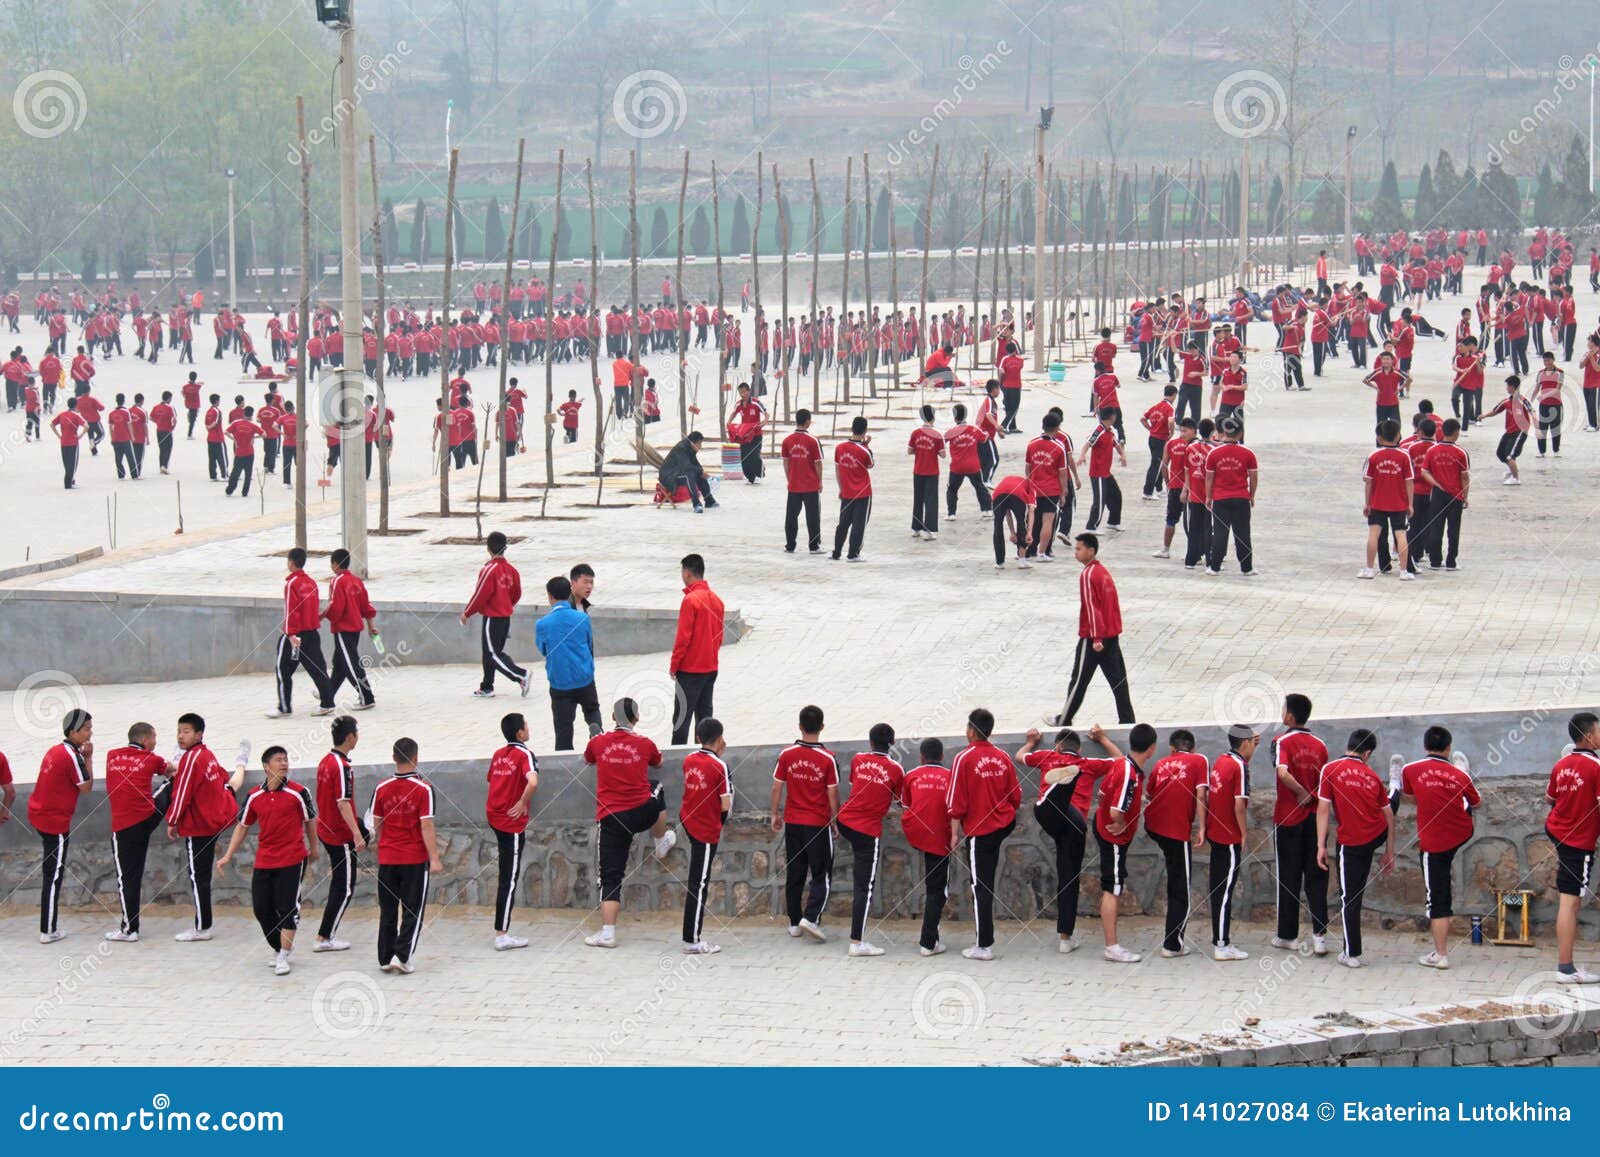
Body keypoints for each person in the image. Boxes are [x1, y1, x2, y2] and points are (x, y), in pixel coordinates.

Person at [1020, 723, 1122, 953]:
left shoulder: (1047, 756)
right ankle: (1065, 938)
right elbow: (1121, 760)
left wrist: (1031, 741)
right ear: (1079, 749)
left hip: (1050, 817)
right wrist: (1103, 739)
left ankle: (1056, 791)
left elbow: (1020, 756)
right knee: (1069, 878)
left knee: (1048, 806)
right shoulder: (1088, 763)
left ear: (1058, 746)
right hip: (1075, 827)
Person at [217, 746, 317, 975]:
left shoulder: (299, 792)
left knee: (287, 908)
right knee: (262, 908)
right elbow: (242, 827)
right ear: (266, 766)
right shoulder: (254, 795)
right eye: (278, 760)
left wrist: (314, 848)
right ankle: (278, 946)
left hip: (292, 858)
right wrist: (227, 855)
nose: (284, 764)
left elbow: (310, 820)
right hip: (264, 860)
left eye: (286, 760)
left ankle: (283, 955)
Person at [583, 699, 674, 949]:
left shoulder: (598, 743)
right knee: (657, 788)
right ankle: (660, 840)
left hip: (611, 818)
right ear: (636, 718)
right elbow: (659, 763)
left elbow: (588, 758)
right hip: (641, 812)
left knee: (611, 876)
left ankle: (608, 932)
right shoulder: (645, 744)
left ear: (613, 717)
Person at [1398, 725, 1479, 970]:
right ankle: (1440, 951)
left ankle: (1441, 954)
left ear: (1425, 746)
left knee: (1436, 898)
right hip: (1460, 832)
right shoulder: (1459, 776)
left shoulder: (1409, 769)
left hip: (1433, 843)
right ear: (1448, 747)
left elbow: (1407, 795)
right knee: (1466, 802)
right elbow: (1477, 801)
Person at [1315, 728, 1396, 968]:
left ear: (1348, 745)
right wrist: (1390, 852)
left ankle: (1351, 953)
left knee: (1348, 896)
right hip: (1376, 833)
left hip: (1352, 842)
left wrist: (1321, 845)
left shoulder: (1329, 769)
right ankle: (1396, 785)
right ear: (1367, 753)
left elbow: (1323, 809)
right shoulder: (1370, 775)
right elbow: (1389, 815)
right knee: (1393, 802)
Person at [946, 707, 1021, 960]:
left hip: (980, 830)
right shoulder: (1003, 756)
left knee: (981, 885)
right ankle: (984, 941)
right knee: (985, 882)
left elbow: (957, 801)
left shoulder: (963, 759)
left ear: (969, 730)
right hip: (1002, 824)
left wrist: (954, 833)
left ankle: (983, 944)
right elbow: (1016, 796)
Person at [167, 712, 247, 943]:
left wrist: (173, 820)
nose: (181, 735)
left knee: (197, 876)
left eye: (186, 731)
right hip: (217, 816)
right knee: (201, 875)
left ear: (198, 734)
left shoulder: (191, 759)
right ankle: (242, 760)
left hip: (200, 826)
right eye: (179, 731)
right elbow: (223, 778)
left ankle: (203, 927)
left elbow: (182, 793)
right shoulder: (206, 754)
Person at [371, 736, 444, 974]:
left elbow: (377, 822)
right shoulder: (424, 789)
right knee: (413, 909)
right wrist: (434, 858)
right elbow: (427, 826)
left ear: (393, 758)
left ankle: (384, 956)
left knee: (388, 909)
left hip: (388, 858)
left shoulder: (381, 788)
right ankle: (402, 956)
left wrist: (383, 845)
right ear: (415, 758)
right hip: (413, 858)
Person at [835, 722, 905, 957]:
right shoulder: (896, 770)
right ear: (892, 743)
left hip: (844, 822)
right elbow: (900, 801)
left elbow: (857, 785)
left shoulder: (858, 759)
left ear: (870, 741)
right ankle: (857, 942)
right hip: (867, 831)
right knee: (864, 887)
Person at [770, 704, 838, 941]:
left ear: (800, 726)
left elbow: (777, 786)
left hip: (793, 822)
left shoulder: (786, 754)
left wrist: (774, 814)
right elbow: (832, 792)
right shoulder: (828, 758)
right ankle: (811, 917)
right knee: (822, 873)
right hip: (817, 823)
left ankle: (794, 923)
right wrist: (835, 819)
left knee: (795, 872)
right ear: (821, 727)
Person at [1269, 693, 1330, 955]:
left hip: (1288, 817)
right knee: (1317, 877)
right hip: (1315, 819)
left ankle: (1287, 935)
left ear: (1290, 716)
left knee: (1288, 877)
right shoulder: (1321, 745)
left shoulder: (1281, 741)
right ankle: (1320, 937)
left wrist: (1300, 792)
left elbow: (1282, 772)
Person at [1054, 534, 1135, 725]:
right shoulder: (1103, 572)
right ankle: (1128, 721)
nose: (1076, 552)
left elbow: (1092, 608)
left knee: (1079, 680)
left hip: (1093, 638)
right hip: (1111, 636)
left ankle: (1064, 720)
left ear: (1091, 551)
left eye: (1079, 549)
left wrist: (1096, 638)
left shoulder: (1088, 574)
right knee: (1119, 682)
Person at [103, 722, 173, 943]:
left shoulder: (111, 756)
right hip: (147, 819)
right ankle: (130, 928)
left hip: (124, 827)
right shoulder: (152, 759)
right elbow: (171, 769)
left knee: (127, 878)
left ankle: (129, 929)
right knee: (169, 784)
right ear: (144, 740)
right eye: (153, 738)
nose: (155, 742)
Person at [1141, 728, 1207, 958]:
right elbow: (1201, 795)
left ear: (1171, 748)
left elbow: (1150, 794)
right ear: (1193, 747)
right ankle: (1173, 944)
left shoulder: (1160, 764)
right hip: (1176, 831)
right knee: (1181, 889)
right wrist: (1202, 826)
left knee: (1175, 878)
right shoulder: (1200, 760)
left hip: (1154, 825)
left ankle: (1173, 941)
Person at [29, 709, 94, 943]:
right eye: (86, 728)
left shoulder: (54, 750)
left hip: (39, 813)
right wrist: (89, 757)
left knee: (51, 872)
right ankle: (48, 930)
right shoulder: (72, 755)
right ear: (73, 731)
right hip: (53, 821)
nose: (90, 732)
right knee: (54, 875)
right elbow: (86, 787)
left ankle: (49, 927)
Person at [1095, 723, 1158, 963]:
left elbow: (1102, 795)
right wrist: (1121, 823)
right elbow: (1114, 810)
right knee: (1113, 888)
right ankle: (1112, 946)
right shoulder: (1130, 776)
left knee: (1113, 886)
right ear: (1151, 749)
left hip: (1104, 830)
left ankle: (1112, 944)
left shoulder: (1121, 763)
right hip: (1113, 837)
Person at [486, 712, 539, 951]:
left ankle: (502, 930)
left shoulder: (498, 754)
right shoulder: (524, 754)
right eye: (526, 726)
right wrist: (521, 802)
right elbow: (533, 782)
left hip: (495, 818)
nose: (528, 728)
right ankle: (502, 934)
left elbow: (493, 781)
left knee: (506, 874)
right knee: (509, 877)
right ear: (520, 732)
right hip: (511, 822)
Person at [680, 717, 733, 955]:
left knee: (696, 881)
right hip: (706, 828)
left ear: (698, 737)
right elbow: (725, 804)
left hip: (689, 821)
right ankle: (692, 938)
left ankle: (692, 935)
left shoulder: (689, 759)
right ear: (720, 738)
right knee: (699, 883)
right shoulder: (719, 766)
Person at [314, 714, 365, 952]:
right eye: (356, 733)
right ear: (350, 737)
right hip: (339, 835)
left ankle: (326, 934)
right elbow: (342, 802)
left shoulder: (325, 761)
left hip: (326, 829)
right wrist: (356, 833)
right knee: (344, 887)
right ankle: (325, 937)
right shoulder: (342, 766)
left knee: (339, 883)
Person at [462, 532, 532, 699]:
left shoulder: (489, 569)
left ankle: (520, 675)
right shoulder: (512, 570)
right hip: (505, 617)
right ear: (505, 548)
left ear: (488, 549)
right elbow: (516, 593)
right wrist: (507, 605)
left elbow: (480, 595)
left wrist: (467, 613)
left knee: (493, 654)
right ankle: (487, 687)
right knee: (490, 652)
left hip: (492, 618)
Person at [1206, 725, 1255, 960]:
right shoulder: (1240, 766)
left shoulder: (1221, 760)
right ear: (1245, 744)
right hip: (1229, 836)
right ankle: (1222, 944)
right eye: (1252, 743)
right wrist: (1244, 833)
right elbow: (1239, 805)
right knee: (1225, 891)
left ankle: (1219, 939)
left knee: (1218, 889)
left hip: (1216, 833)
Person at [900, 737, 953, 956]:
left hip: (918, 833)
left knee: (934, 887)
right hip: (940, 837)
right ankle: (928, 942)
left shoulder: (911, 775)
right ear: (942, 756)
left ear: (921, 757)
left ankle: (932, 936)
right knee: (937, 890)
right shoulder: (951, 776)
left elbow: (906, 804)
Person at [535, 576, 601, 750]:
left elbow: (543, 649)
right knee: (592, 711)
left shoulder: (542, 624)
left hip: (560, 683)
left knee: (563, 728)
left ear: (550, 596)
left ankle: (565, 755)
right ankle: (598, 738)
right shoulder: (582, 618)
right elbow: (588, 644)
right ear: (569, 592)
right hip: (584, 677)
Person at [269, 547, 336, 719]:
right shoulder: (311, 583)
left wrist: (290, 634)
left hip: (295, 635)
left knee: (282, 668)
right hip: (311, 633)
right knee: (318, 669)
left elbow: (291, 610)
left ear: (291, 562)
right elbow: (312, 608)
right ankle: (327, 703)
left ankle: (284, 707)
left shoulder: (292, 583)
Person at [670, 553, 723, 746]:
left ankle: (679, 756)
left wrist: (674, 665)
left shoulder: (690, 600)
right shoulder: (717, 600)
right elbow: (719, 636)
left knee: (681, 719)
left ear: (686, 573)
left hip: (690, 670)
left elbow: (683, 638)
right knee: (704, 718)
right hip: (710, 667)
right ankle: (706, 756)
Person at [1359, 418, 1414, 580]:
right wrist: (1410, 504)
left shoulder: (1373, 456)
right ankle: (1404, 571)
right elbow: (1409, 482)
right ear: (1398, 436)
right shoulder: (1404, 456)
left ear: (1379, 437)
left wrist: (1367, 503)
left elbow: (1368, 482)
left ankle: (1369, 569)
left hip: (1377, 502)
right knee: (1401, 535)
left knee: (1373, 534)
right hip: (1398, 503)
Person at [1204, 416, 1258, 576]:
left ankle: (1214, 567)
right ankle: (1246, 568)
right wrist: (1251, 495)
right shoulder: (1248, 453)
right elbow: (1253, 477)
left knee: (1220, 532)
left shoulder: (1214, 453)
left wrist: (1208, 496)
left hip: (1221, 498)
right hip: (1241, 497)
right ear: (1240, 433)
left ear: (1223, 432)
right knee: (1242, 533)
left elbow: (1209, 477)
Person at [324, 549, 378, 709]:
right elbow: (366, 606)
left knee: (351, 664)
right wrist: (371, 626)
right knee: (340, 663)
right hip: (355, 628)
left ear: (334, 564)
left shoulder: (337, 581)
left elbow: (336, 607)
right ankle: (327, 695)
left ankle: (367, 697)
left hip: (343, 628)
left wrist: (323, 616)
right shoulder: (356, 581)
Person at [1420, 418, 1469, 570]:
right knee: (1453, 530)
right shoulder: (1460, 452)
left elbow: (1424, 471)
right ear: (1456, 433)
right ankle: (1451, 561)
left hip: (1437, 495)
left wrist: (1435, 484)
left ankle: (1435, 561)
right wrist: (1465, 496)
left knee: (1436, 527)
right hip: (1455, 495)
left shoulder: (1432, 450)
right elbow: (1464, 477)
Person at [830, 416, 874, 561]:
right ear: (865, 430)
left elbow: (837, 469)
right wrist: (866, 445)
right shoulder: (864, 450)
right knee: (859, 524)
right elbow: (870, 465)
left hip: (846, 491)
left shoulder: (839, 448)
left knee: (843, 523)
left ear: (851, 428)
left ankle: (836, 552)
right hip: (863, 493)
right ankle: (853, 553)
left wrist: (841, 488)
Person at [781, 409, 824, 553]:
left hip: (793, 485)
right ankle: (814, 546)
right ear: (807, 422)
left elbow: (786, 463)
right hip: (810, 485)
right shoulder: (813, 441)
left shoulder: (787, 441)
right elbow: (818, 463)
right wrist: (820, 481)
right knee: (813, 516)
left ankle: (790, 545)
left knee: (791, 516)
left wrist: (789, 479)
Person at [1079, 407, 1127, 532]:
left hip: (1106, 472)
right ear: (1112, 417)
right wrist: (1082, 456)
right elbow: (1087, 444)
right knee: (1100, 499)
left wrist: (1123, 455)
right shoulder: (1099, 430)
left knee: (1116, 495)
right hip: (1097, 472)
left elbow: (1116, 444)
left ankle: (1113, 522)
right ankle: (1091, 526)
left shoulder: (1109, 431)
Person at [944, 403, 991, 518]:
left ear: (954, 417)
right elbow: (984, 439)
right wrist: (988, 433)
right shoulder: (973, 429)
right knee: (980, 487)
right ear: (966, 415)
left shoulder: (950, 432)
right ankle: (987, 510)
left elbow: (941, 442)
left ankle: (951, 514)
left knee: (952, 489)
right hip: (973, 466)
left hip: (957, 467)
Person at [1485, 374, 1533, 486]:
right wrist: (1484, 416)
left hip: (1520, 432)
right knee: (1500, 453)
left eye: (1507, 386)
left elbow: (1532, 412)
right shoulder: (1506, 402)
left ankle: (1516, 478)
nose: (1506, 388)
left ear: (1512, 387)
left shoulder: (1523, 401)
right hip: (1509, 431)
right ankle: (1512, 470)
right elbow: (1496, 411)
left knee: (1510, 456)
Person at [908, 404, 944, 539]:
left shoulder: (915, 433)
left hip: (918, 470)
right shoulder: (937, 434)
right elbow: (943, 454)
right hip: (932, 471)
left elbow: (909, 450)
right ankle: (928, 531)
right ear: (933, 417)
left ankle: (916, 528)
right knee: (931, 500)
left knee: (918, 499)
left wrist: (920, 450)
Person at [660, 431, 717, 513]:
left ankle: (709, 500)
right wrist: (700, 472)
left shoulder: (690, 448)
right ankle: (696, 504)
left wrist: (702, 472)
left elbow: (695, 464)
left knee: (698, 474)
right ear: (692, 442)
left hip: (678, 473)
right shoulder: (681, 448)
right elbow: (686, 467)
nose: (700, 446)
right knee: (689, 475)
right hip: (668, 476)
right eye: (699, 443)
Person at [990, 473, 1037, 570]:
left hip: (998, 494)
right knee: (1021, 523)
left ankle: (1000, 562)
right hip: (1017, 495)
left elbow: (1007, 511)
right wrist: (1029, 533)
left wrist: (1012, 533)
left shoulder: (1009, 478)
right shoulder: (1032, 485)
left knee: (997, 526)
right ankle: (1022, 561)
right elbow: (1031, 511)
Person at [727, 383, 766, 483]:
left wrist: (764, 422)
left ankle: (759, 474)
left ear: (749, 391)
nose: (742, 394)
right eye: (740, 392)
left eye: (744, 391)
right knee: (744, 456)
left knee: (754, 454)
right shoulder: (738, 404)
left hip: (756, 434)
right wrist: (729, 422)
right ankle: (750, 477)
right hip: (744, 435)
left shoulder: (756, 402)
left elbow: (766, 414)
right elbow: (734, 413)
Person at [224, 404, 261, 497]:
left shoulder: (236, 423)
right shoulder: (253, 426)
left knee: (235, 472)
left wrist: (234, 439)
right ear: (252, 415)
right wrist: (254, 437)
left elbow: (226, 432)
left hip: (239, 452)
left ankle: (230, 489)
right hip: (249, 453)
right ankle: (245, 492)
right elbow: (264, 434)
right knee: (248, 474)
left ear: (244, 414)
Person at [50, 396, 87, 489]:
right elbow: (86, 426)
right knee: (73, 463)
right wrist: (81, 435)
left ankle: (71, 480)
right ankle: (69, 483)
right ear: (76, 406)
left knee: (66, 463)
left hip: (63, 442)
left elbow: (52, 424)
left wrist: (58, 435)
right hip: (73, 442)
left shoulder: (62, 414)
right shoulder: (76, 415)